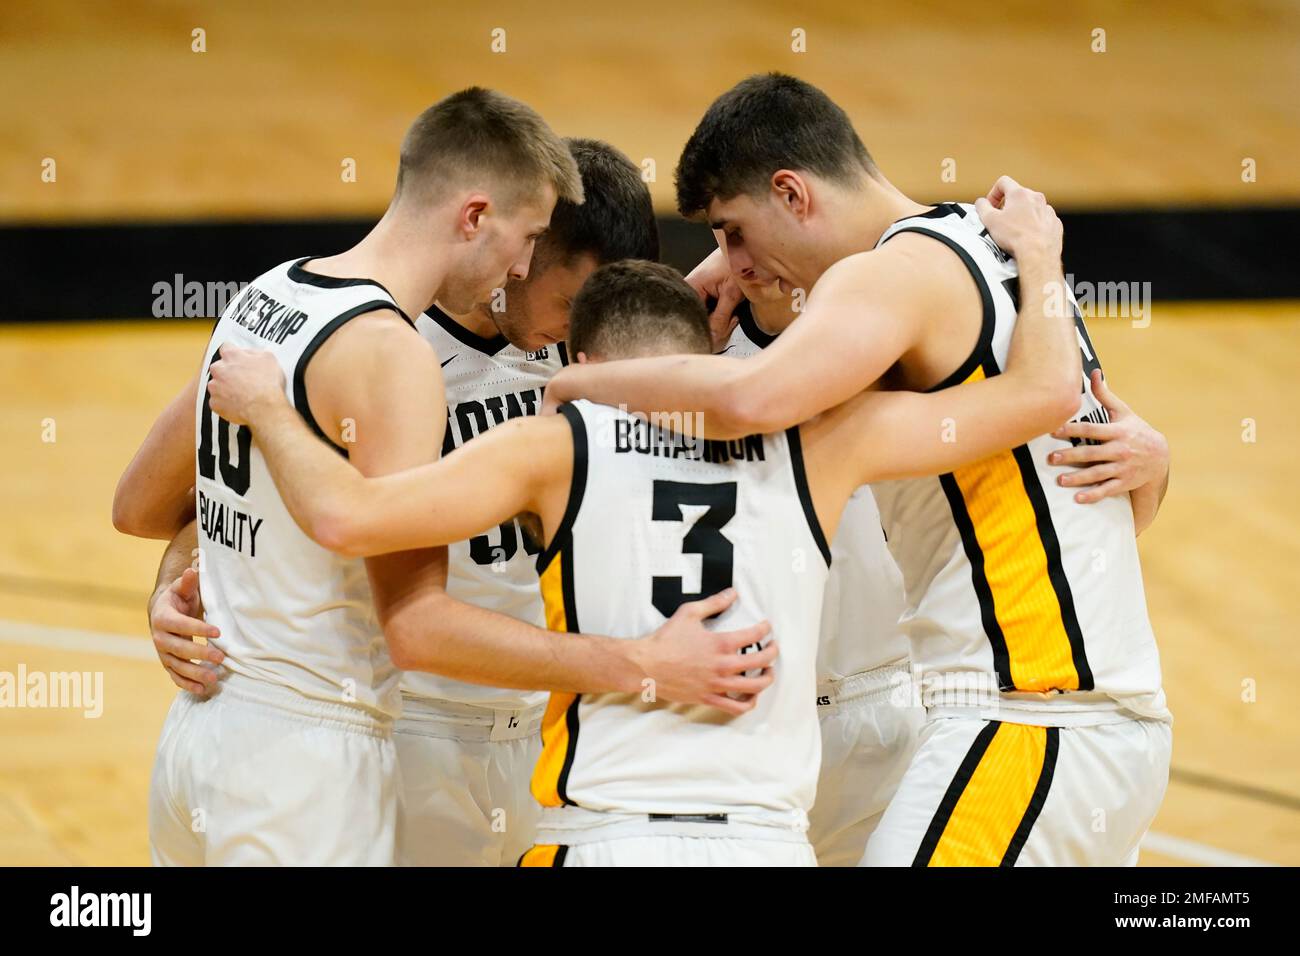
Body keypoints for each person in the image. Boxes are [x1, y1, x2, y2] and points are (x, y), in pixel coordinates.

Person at [201, 251, 1080, 865]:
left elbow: (346, 517)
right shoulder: (824, 443)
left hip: (603, 838)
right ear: (708, 354)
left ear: (582, 361)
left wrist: (270, 411)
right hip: (769, 845)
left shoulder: (549, 444)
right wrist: (1042, 262)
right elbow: (1044, 393)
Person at [113, 91, 768, 866]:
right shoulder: (394, 350)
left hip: (551, 735)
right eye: (544, 271)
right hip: (400, 731)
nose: (570, 319)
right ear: (486, 222)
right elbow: (181, 505)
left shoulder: (278, 300)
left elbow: (244, 487)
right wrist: (173, 586)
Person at [542, 73, 1173, 865]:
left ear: (792, 192)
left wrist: (583, 382)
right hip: (1086, 718)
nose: (733, 262)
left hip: (1030, 715)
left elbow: (755, 398)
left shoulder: (886, 276)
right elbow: (1089, 496)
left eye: (734, 232)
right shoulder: (998, 251)